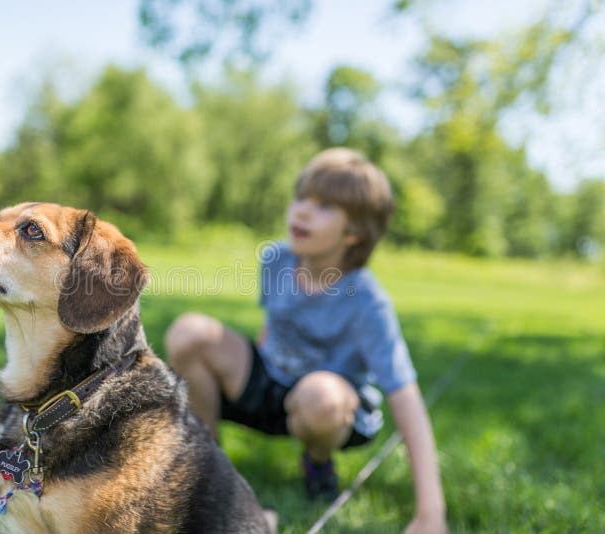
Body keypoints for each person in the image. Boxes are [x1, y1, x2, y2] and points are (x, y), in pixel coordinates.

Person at [164, 148, 447, 533]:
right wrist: (250, 375)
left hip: (329, 407)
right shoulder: (276, 259)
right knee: (189, 332)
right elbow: (274, 325)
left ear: (354, 233)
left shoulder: (368, 302)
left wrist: (431, 513)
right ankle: (209, 473)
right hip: (273, 383)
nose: (302, 211)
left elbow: (406, 397)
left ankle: (317, 461)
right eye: (302, 198)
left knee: (321, 398)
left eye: (325, 205)